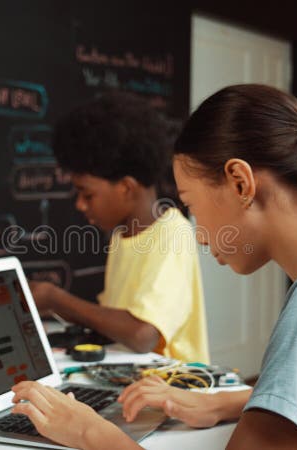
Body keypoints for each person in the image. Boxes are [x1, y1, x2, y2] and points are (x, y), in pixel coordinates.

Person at [11, 84, 297, 450]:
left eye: (193, 205)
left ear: (239, 182)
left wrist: (91, 433)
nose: (196, 231)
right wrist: (227, 402)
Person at [28, 92, 209, 363]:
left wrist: (55, 299)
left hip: (176, 392)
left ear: (126, 188)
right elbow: (113, 320)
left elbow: (141, 335)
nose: (79, 205)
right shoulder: (122, 237)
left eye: (87, 195)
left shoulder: (173, 234)